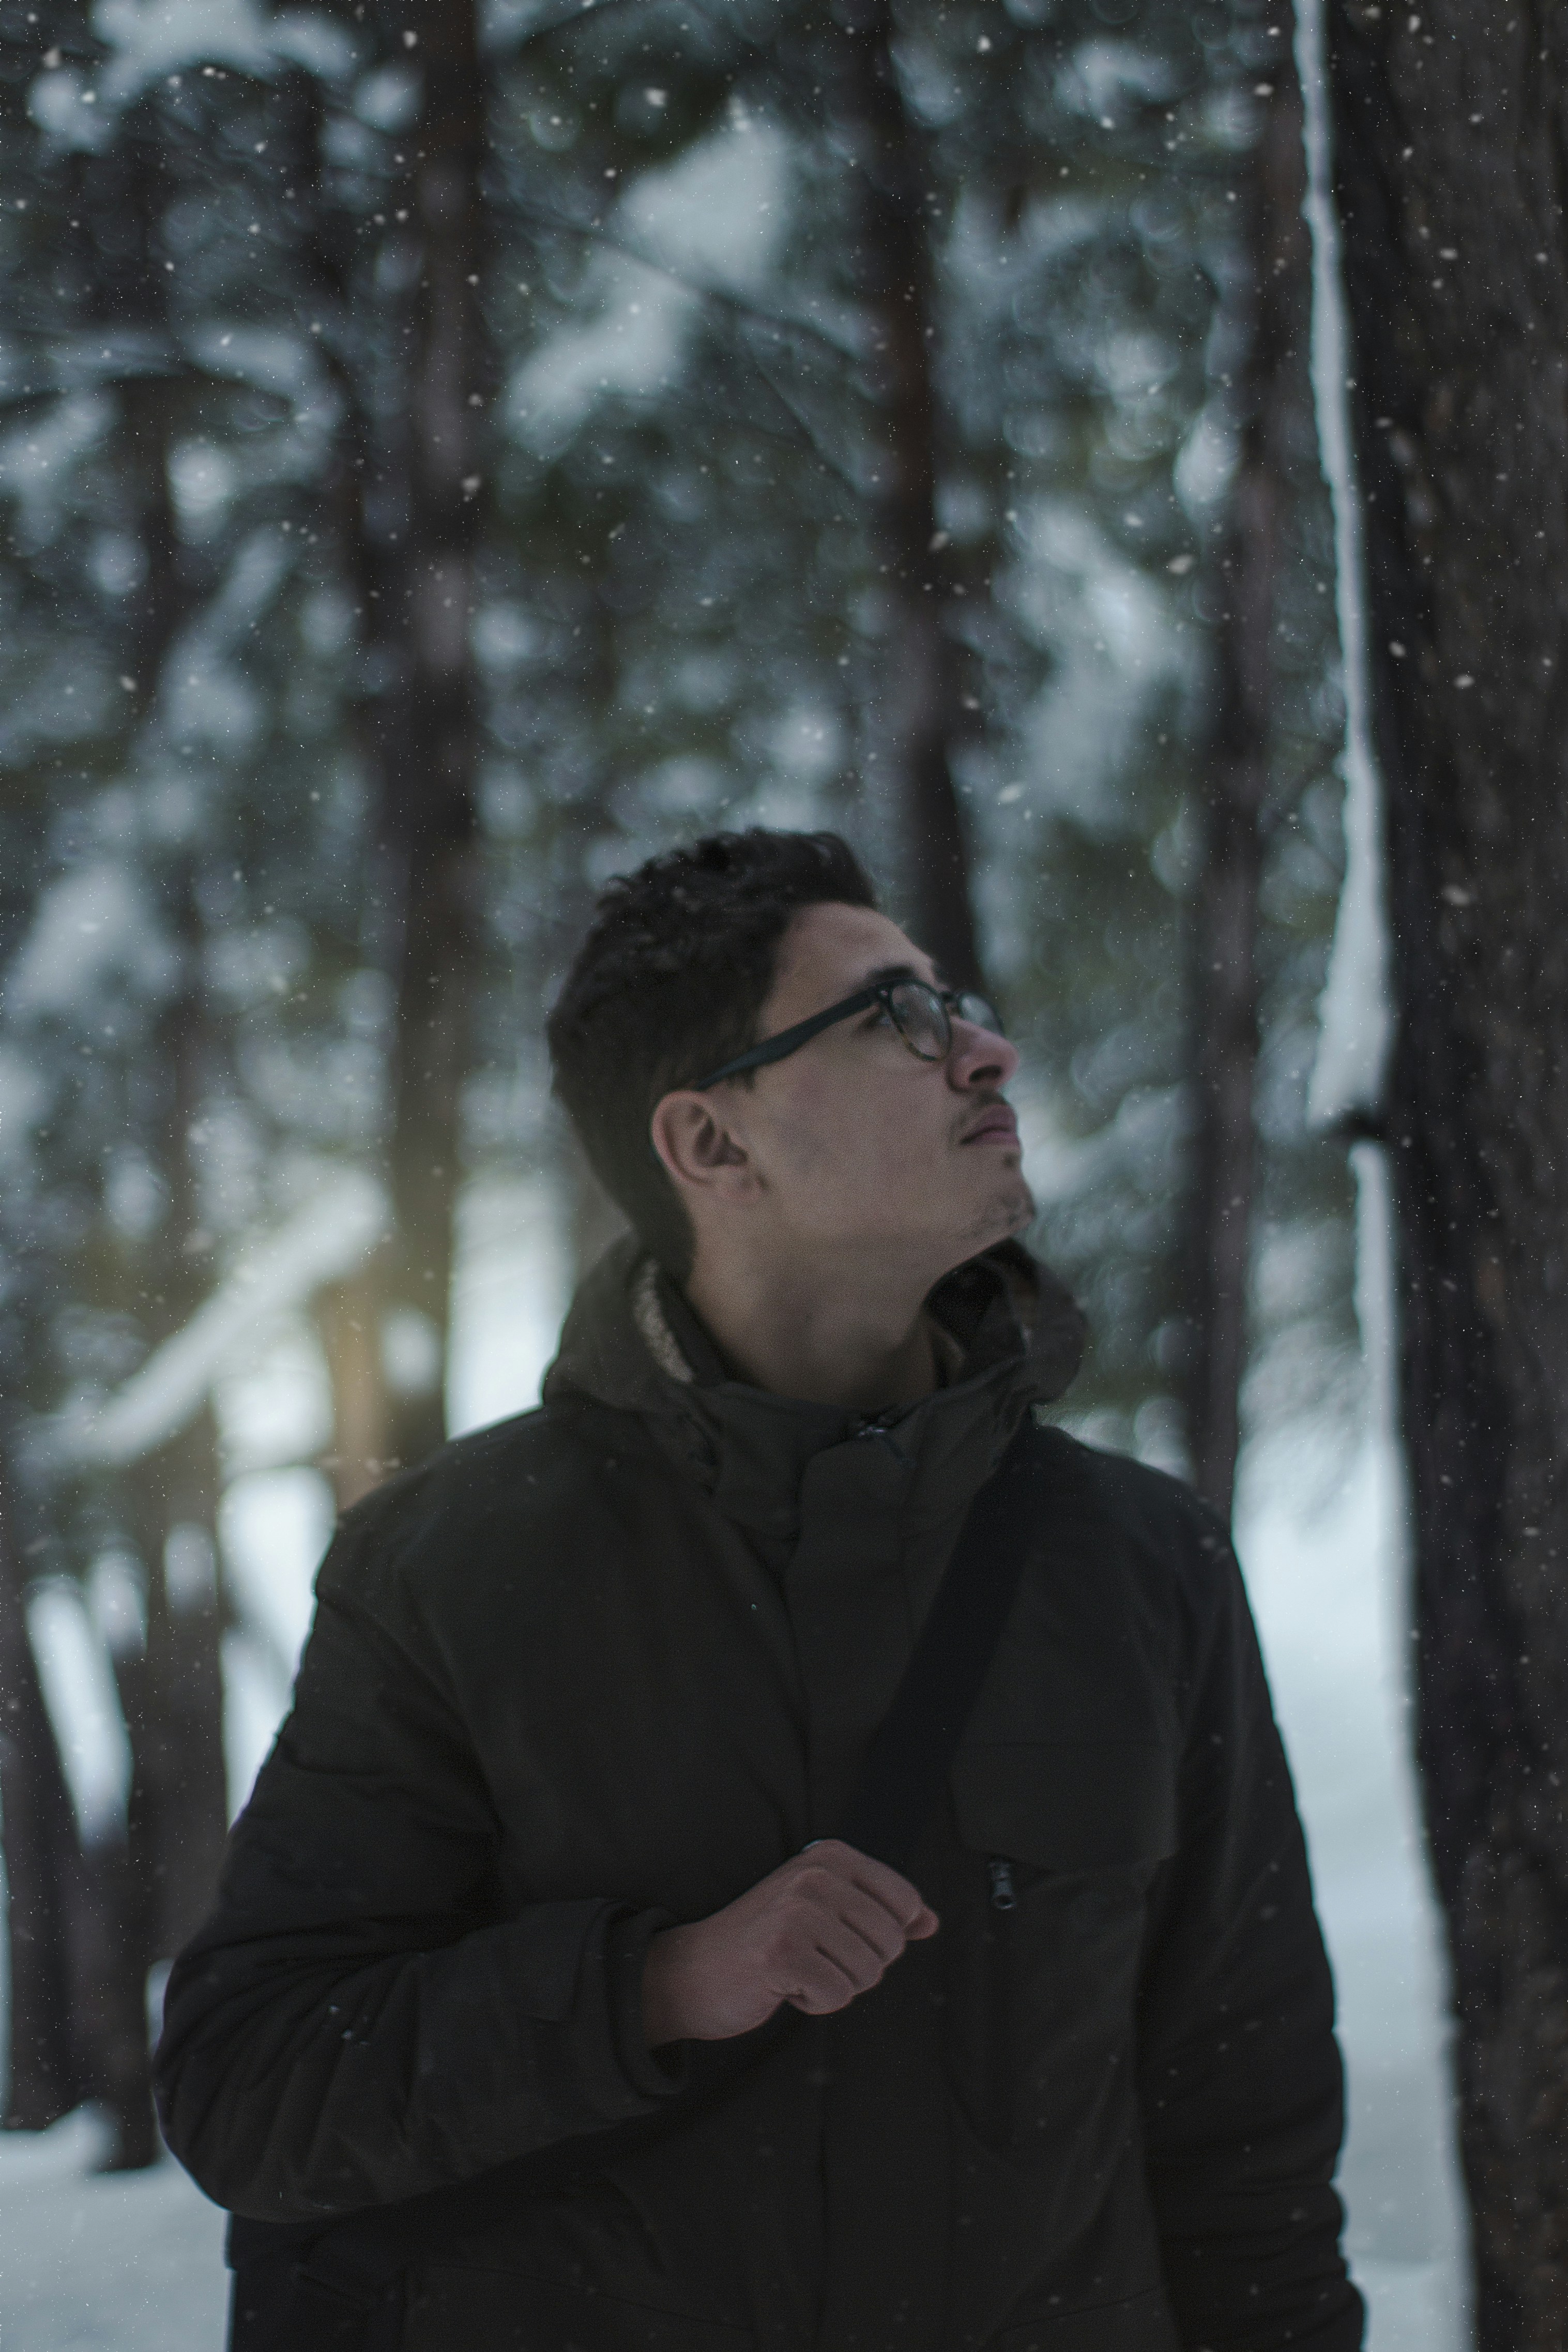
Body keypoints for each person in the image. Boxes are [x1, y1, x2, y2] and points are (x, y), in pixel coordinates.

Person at [155, 829, 1364, 2352]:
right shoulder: (455, 1568)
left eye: (957, 1004)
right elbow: (250, 2087)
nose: (983, 1051)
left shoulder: (1136, 1564)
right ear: (711, 1148)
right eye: (897, 1021)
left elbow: (1241, 2138)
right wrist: (653, 1985)